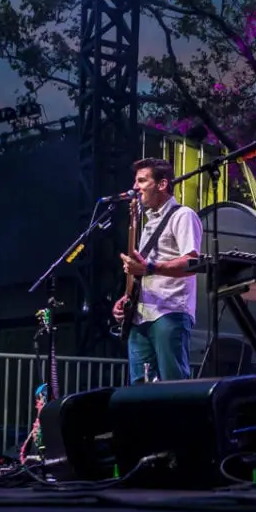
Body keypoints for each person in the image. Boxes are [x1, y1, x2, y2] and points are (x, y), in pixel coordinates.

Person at [111, 158, 204, 385]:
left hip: (169, 312)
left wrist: (149, 268)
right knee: (140, 388)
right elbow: (144, 272)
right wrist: (127, 297)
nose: (135, 187)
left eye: (142, 181)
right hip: (140, 315)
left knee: (173, 385)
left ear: (162, 184)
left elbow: (192, 262)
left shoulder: (183, 215)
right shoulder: (148, 223)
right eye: (135, 181)